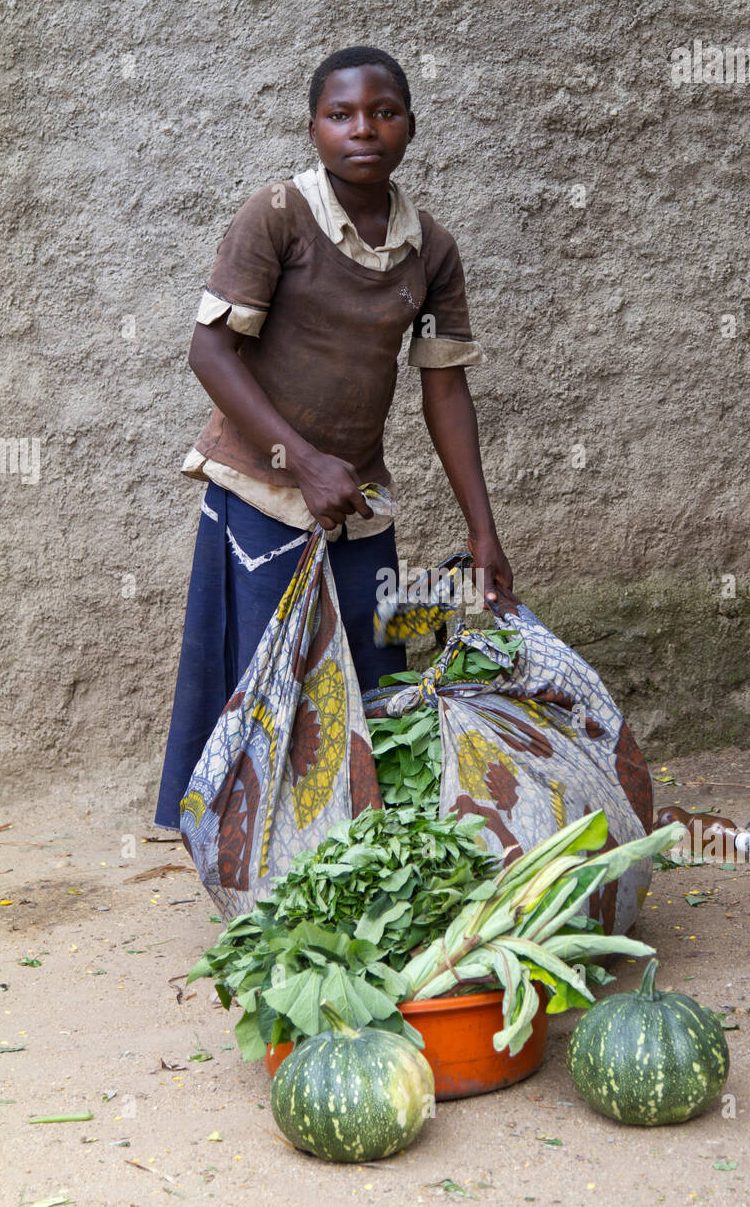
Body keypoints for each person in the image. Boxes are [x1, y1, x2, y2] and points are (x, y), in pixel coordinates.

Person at [154, 45, 513, 831]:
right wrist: (304, 461)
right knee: (266, 678)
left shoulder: (432, 249)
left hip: (356, 498)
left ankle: (357, 848)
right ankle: (252, 852)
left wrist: (483, 532)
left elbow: (444, 389)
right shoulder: (278, 215)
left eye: (383, 113)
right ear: (313, 127)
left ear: (410, 127)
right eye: (340, 114)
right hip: (260, 488)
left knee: (369, 672)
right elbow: (209, 352)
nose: (363, 129)